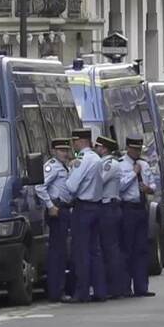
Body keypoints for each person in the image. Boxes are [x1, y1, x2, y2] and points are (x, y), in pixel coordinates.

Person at [66, 129, 108, 302]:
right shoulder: (97, 159)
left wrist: (70, 170)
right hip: (97, 207)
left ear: (79, 141)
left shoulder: (82, 160)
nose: (73, 145)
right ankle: (100, 290)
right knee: (95, 251)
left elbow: (72, 186)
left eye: (74, 141)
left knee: (81, 251)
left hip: (83, 208)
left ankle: (82, 292)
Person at [118, 135, 156, 297]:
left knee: (141, 248)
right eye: (134, 149)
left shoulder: (144, 164)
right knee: (127, 248)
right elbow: (119, 187)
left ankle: (142, 287)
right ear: (128, 148)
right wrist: (133, 174)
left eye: (139, 149)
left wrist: (149, 188)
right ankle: (125, 287)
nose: (137, 152)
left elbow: (154, 184)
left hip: (142, 208)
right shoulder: (120, 165)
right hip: (127, 208)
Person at [35, 138, 73, 302]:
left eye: (66, 150)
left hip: (65, 209)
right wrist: (50, 206)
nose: (65, 153)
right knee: (57, 253)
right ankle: (56, 291)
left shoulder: (65, 166)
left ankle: (60, 289)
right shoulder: (52, 167)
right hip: (57, 211)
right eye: (61, 150)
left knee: (62, 251)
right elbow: (40, 187)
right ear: (54, 151)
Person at [94, 135, 126, 297]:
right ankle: (111, 286)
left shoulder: (110, 164)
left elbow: (98, 181)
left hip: (109, 208)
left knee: (111, 249)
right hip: (105, 208)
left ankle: (116, 287)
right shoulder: (103, 163)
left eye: (98, 147)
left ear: (105, 148)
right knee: (107, 249)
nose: (96, 149)